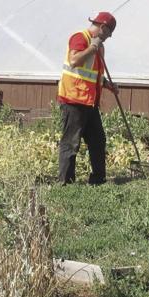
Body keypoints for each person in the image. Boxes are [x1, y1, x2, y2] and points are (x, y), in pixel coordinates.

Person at [57, 11, 119, 185]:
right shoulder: (80, 38)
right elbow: (74, 60)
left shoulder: (99, 47)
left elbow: (94, 75)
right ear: (103, 27)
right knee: (71, 143)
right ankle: (65, 184)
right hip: (73, 100)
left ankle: (98, 181)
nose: (107, 37)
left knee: (98, 140)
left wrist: (108, 85)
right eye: (107, 33)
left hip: (90, 103)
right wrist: (93, 48)